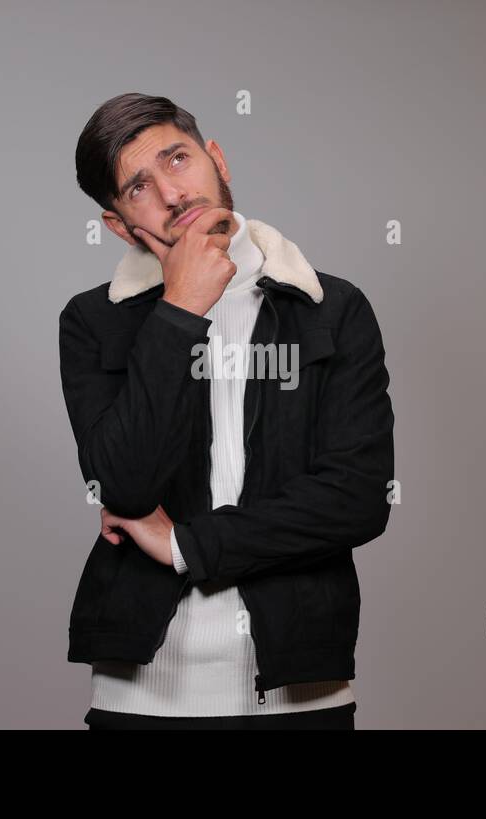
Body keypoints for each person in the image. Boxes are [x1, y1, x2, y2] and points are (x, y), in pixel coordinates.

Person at [60, 92, 394, 729]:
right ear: (119, 225)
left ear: (217, 158)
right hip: (141, 696)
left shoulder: (331, 308)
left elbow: (357, 499)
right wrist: (180, 310)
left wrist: (186, 543)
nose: (172, 194)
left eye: (177, 160)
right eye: (139, 188)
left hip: (301, 691)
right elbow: (124, 482)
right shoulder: (92, 321)